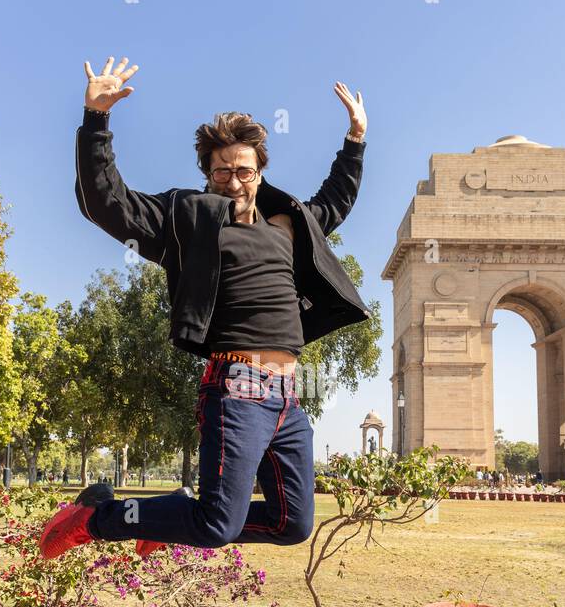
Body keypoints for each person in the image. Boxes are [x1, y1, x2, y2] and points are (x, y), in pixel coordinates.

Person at [42, 56, 371, 559]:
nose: (234, 182)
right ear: (208, 175)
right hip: (236, 389)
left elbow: (336, 199)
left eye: (243, 171)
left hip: (288, 396)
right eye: (222, 174)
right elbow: (106, 203)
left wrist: (355, 141)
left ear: (261, 171)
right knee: (216, 524)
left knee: (292, 524)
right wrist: (96, 121)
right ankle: (97, 518)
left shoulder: (290, 223)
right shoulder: (188, 219)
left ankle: (173, 517)